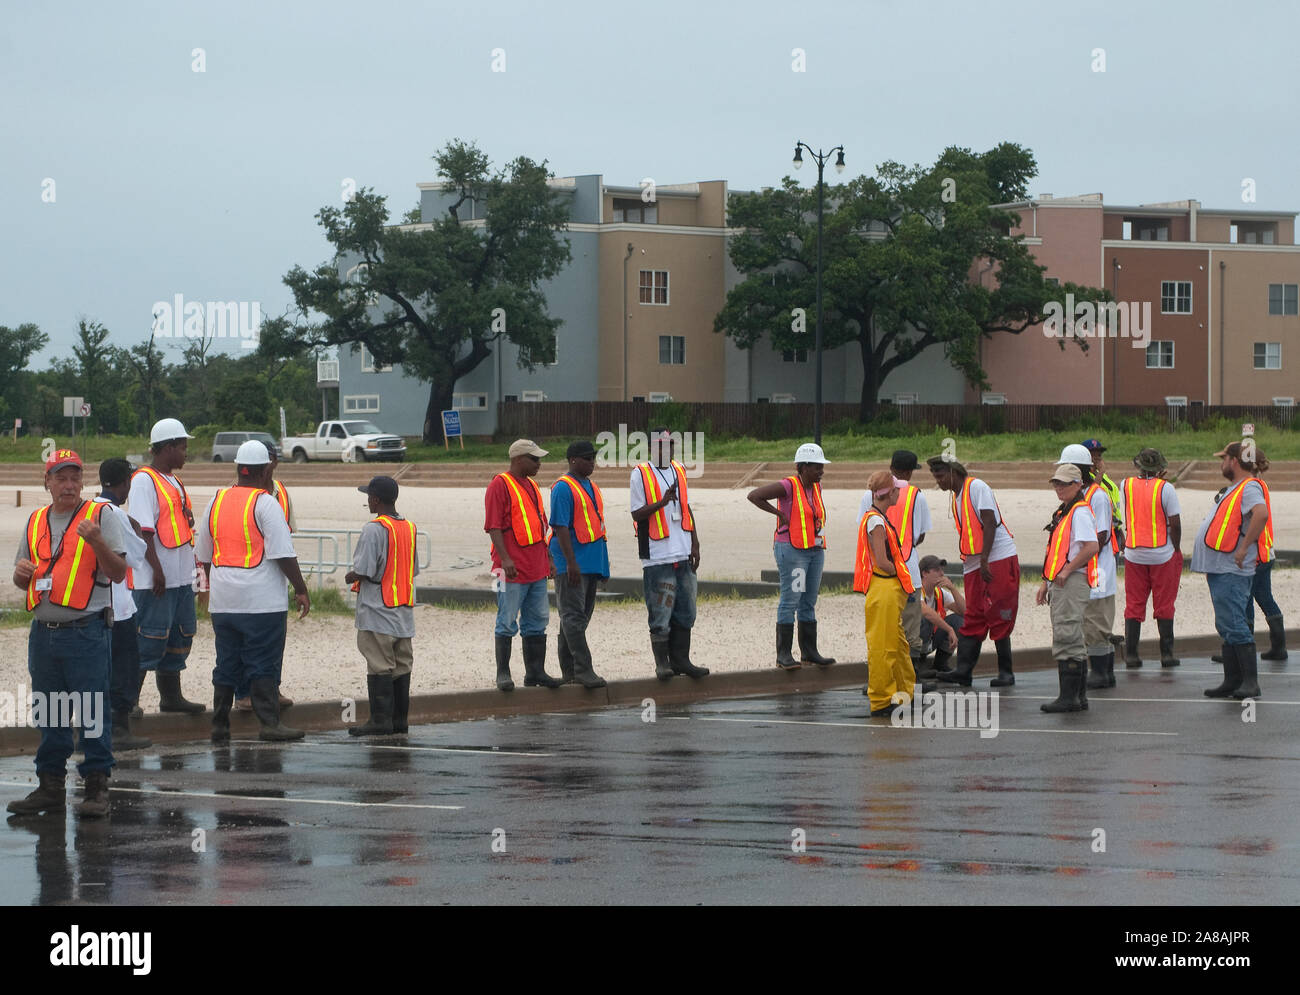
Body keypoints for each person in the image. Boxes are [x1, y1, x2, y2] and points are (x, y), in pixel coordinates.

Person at [8, 449, 128, 817]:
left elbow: (120, 573)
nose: (69, 485)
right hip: (43, 633)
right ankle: (50, 786)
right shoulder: (36, 521)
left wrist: (97, 542)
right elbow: (18, 576)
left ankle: (96, 788)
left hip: (86, 631)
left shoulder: (101, 516)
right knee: (50, 712)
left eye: (75, 477)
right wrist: (22, 575)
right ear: (47, 483)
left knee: (92, 711)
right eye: (61, 478)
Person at [195, 441, 311, 742]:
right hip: (261, 603)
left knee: (227, 661)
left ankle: (219, 724)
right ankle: (270, 724)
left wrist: (204, 588)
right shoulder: (265, 502)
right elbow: (283, 553)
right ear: (264, 470)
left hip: (224, 603)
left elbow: (203, 553)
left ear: (238, 468)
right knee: (263, 661)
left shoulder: (216, 501)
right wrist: (301, 588)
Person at [128, 418, 205, 714]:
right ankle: (129, 702)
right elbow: (143, 531)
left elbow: (174, 523)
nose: (186, 453)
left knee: (178, 637)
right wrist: (157, 570)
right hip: (155, 581)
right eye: (183, 447)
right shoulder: (144, 481)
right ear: (168, 447)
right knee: (148, 639)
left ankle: (171, 698)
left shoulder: (173, 480)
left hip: (179, 577)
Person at [927, 456, 1019, 687]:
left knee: (999, 612)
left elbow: (990, 522)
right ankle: (963, 671)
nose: (938, 482)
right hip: (974, 562)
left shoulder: (976, 487)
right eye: (935, 477)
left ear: (953, 472)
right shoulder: (957, 497)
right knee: (974, 615)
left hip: (996, 558)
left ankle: (1006, 673)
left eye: (940, 476)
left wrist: (986, 559)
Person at [748, 442, 834, 671]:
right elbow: (754, 496)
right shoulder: (788, 485)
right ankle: (783, 654)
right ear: (803, 467)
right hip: (792, 550)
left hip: (815, 550)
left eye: (821, 467)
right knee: (791, 600)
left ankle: (809, 652)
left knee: (809, 601)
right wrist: (778, 514)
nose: (821, 471)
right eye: (817, 467)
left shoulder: (817, 487)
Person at [631, 427, 708, 681]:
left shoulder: (680, 469)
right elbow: (637, 514)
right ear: (652, 447)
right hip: (658, 555)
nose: (667, 449)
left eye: (670, 444)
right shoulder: (640, 474)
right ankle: (662, 664)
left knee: (687, 610)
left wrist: (695, 542)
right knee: (661, 612)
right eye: (662, 445)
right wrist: (662, 503)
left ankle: (682, 661)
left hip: (683, 552)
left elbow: (686, 506)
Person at [343, 475, 419, 735]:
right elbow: (413, 569)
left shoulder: (374, 528)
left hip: (377, 609)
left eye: (369, 497)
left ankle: (380, 720)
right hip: (403, 611)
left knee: (379, 665)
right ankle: (399, 721)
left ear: (375, 499)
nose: (368, 501)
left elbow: (364, 570)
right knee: (401, 666)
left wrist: (351, 576)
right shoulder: (409, 527)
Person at [1194, 442, 1268, 700]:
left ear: (1235, 460)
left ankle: (1249, 683)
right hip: (1221, 568)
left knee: (1235, 623)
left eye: (1224, 458)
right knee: (1226, 623)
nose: (1221, 463)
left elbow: (1261, 514)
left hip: (1231, 569)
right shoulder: (1237, 489)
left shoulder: (1248, 487)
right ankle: (1233, 680)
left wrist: (1244, 548)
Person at [485, 440, 561, 690]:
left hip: (536, 566)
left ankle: (535, 672)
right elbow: (493, 526)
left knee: (538, 618)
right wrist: (505, 559)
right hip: (511, 568)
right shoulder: (500, 485)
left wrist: (549, 560)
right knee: (506, 620)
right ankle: (503, 674)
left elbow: (541, 526)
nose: (539, 464)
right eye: (534, 459)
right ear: (518, 459)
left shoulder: (532, 486)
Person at [93, 458, 151, 751]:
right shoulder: (114, 513)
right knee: (124, 667)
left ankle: (90, 729)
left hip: (92, 603)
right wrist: (137, 530)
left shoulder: (89, 509)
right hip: (118, 604)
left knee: (96, 669)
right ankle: (119, 728)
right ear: (125, 482)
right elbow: (133, 558)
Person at [1036, 464, 1100, 713]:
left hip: (1072, 581)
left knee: (1067, 634)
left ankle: (1070, 698)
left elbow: (1091, 546)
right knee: (1071, 634)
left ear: (1078, 484)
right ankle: (1077, 697)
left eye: (1063, 483)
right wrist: (1045, 581)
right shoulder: (1066, 511)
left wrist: (1067, 570)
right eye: (1056, 483)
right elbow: (1055, 551)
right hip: (1063, 580)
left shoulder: (1079, 512)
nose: (1058, 488)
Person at [236, 443, 295, 712]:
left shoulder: (281, 493)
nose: (270, 463)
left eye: (273, 458)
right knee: (246, 643)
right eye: (266, 459)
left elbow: (287, 535)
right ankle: (244, 694)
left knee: (273, 641)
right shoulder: (238, 494)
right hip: (246, 576)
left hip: (273, 578)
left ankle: (272, 688)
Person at [549, 441, 611, 689]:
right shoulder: (563, 488)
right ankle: (583, 670)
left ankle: (569, 671)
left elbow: (596, 526)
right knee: (573, 616)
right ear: (573, 460)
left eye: (593, 458)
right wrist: (571, 563)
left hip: (591, 561)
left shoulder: (591, 486)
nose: (591, 462)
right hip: (572, 564)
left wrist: (603, 565)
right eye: (587, 458)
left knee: (579, 618)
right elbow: (560, 527)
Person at [1058, 444, 1120, 691]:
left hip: (1098, 571)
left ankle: (1103, 673)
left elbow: (1101, 536)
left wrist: (1076, 559)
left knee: (1097, 624)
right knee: (1090, 623)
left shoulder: (1097, 495)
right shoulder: (1082, 495)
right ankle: (1103, 672)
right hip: (1090, 569)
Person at [854, 471, 916, 716]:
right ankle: (881, 700)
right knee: (884, 647)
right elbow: (881, 561)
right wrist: (902, 574)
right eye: (897, 489)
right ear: (889, 493)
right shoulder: (876, 521)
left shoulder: (878, 518)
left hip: (887, 588)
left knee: (897, 645)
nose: (900, 492)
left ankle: (903, 694)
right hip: (884, 587)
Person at [1121, 448, 1182, 667]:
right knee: (1164, 603)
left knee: (1134, 604)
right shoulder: (1166, 489)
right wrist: (1176, 548)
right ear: (1160, 468)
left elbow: (1126, 511)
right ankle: (1166, 654)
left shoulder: (1125, 485)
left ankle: (1132, 655)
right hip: (1161, 553)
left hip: (1134, 552)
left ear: (1137, 465)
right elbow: (1174, 523)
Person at [1249, 460, 1286, 662]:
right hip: (1265, 551)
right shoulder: (1260, 484)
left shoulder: (1251, 487)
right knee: (1264, 597)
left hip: (1257, 554)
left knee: (1246, 599)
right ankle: (1278, 647)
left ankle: (1241, 649)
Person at [916, 555, 965, 675]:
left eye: (942, 570)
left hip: (930, 639)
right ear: (924, 573)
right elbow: (926, 612)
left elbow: (965, 612)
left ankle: (940, 664)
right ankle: (917, 664)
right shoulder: (915, 590)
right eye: (937, 570)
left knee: (959, 620)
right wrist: (949, 629)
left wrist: (952, 588)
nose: (942, 573)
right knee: (926, 619)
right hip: (912, 643)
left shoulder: (940, 593)